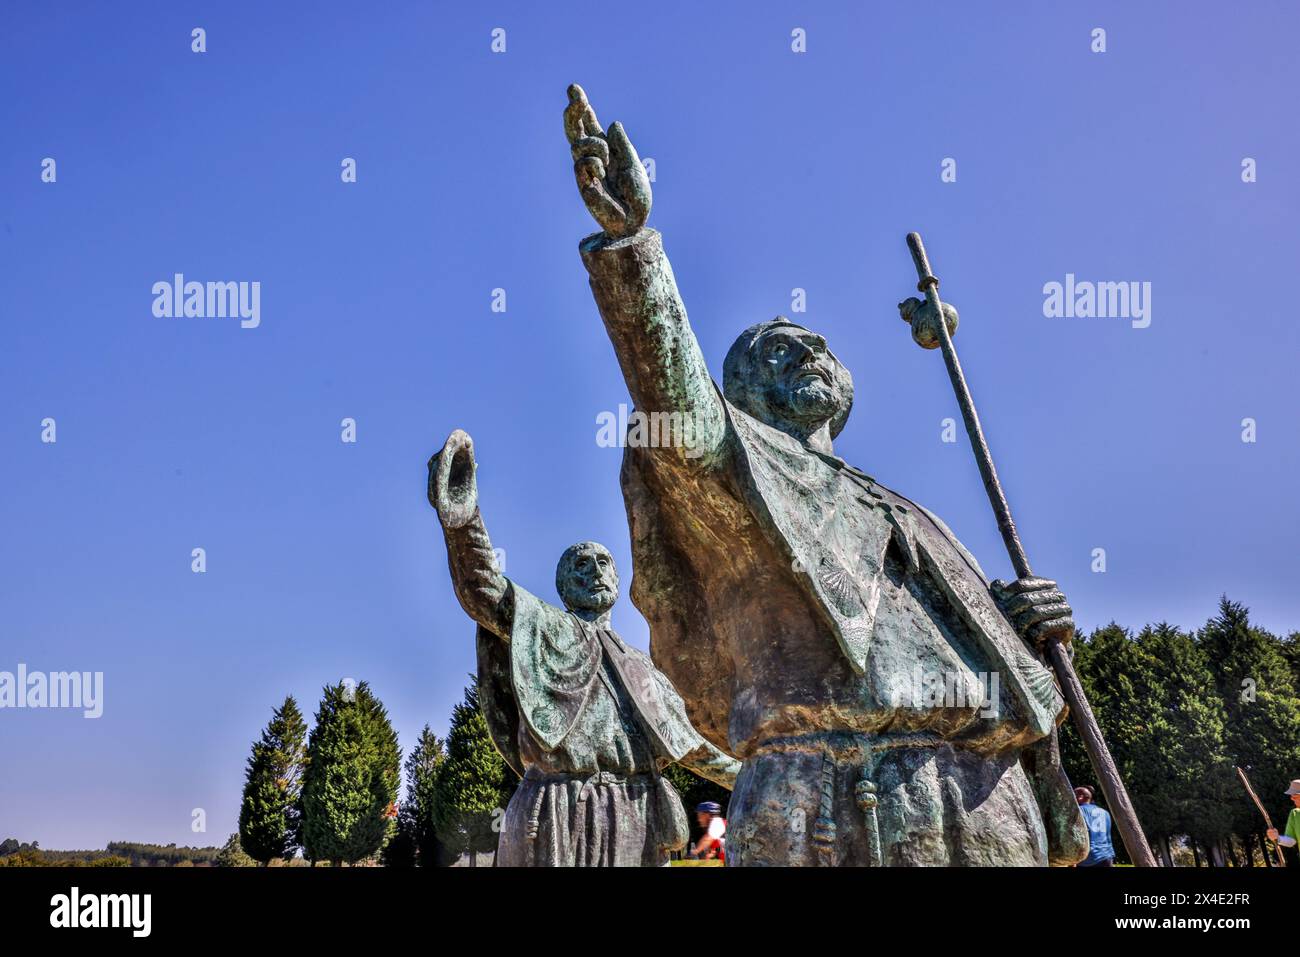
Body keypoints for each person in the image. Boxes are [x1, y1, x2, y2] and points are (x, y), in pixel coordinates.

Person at [563, 84, 1087, 866]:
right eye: (777, 351)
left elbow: (987, 651)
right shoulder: (742, 478)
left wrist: (1026, 621)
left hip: (983, 794)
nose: (807, 355)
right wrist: (633, 250)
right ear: (741, 398)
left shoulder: (906, 510)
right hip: (824, 793)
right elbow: (681, 414)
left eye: (816, 348)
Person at [428, 429, 740, 866]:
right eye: (579, 564)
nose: (594, 570)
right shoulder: (542, 626)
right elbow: (483, 589)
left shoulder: (641, 667)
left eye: (604, 562)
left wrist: (753, 776)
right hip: (557, 810)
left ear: (617, 580)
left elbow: (690, 747)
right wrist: (463, 518)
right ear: (562, 585)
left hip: (637, 815)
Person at [1074, 786, 1115, 868]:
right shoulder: (1105, 812)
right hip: (1107, 856)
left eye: (1073, 795)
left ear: (1080, 797)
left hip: (1088, 858)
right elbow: (1107, 836)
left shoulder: (1078, 811)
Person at [1265, 779, 1300, 863]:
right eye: (1291, 796)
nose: (1291, 798)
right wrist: (1277, 838)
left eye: (1295, 795)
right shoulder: (1294, 814)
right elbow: (1292, 841)